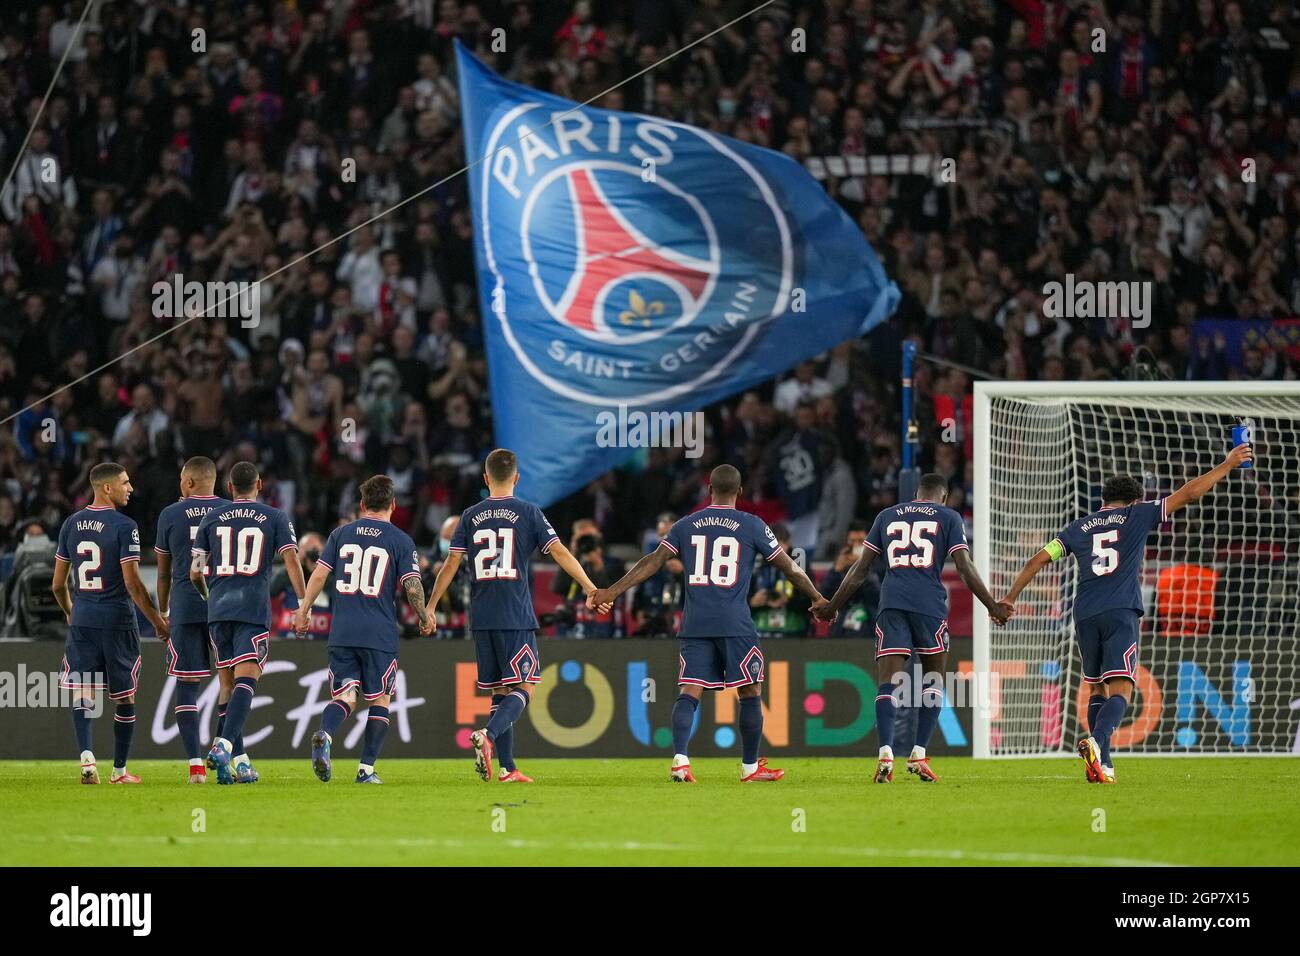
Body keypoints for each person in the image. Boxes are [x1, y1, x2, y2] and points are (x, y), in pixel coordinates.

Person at [999, 445, 1253, 784]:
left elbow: (1037, 561)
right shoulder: (1139, 514)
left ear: (1103, 499)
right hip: (1120, 612)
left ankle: (1103, 763)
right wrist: (1226, 464)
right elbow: (1190, 493)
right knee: (1121, 690)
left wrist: (1009, 599)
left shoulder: (1078, 528)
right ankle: (1097, 741)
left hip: (1085, 614)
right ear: (1135, 500)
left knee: (1096, 691)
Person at [589, 464, 829, 783]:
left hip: (696, 622)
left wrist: (612, 591)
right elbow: (789, 567)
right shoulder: (752, 524)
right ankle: (749, 768)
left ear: (708, 489)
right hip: (735, 623)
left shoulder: (686, 525)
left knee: (690, 690)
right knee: (750, 690)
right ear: (740, 491)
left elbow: (653, 562)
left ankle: (679, 761)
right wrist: (817, 598)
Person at [814, 474, 1012, 784]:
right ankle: (918, 755)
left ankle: (885, 754)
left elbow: (860, 569)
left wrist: (832, 605)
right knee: (932, 680)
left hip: (891, 604)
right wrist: (991, 605)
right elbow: (963, 566)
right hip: (929, 607)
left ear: (917, 493)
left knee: (888, 682)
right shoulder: (948, 517)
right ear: (943, 497)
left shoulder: (886, 515)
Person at [427, 448, 601, 783]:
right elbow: (560, 552)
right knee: (526, 686)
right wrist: (590, 587)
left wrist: (432, 606)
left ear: (485, 479)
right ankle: (488, 736)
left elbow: (451, 564)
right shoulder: (529, 513)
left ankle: (507, 768)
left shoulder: (469, 516)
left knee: (500, 692)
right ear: (517, 478)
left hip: (481, 617)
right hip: (515, 614)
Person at [298, 475, 429, 784]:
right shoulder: (400, 540)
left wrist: (303, 609)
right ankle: (366, 769)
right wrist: (424, 616)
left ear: (361, 504)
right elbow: (412, 585)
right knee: (380, 700)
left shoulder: (340, 535)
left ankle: (326, 734)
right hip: (379, 632)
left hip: (342, 631)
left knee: (344, 697)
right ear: (393, 505)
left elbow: (318, 576)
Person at [51, 462, 169, 784]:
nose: (130, 488)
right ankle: (119, 771)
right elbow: (132, 584)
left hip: (84, 620)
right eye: (125, 482)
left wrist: (71, 611)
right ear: (106, 488)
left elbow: (58, 584)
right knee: (124, 695)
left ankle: (87, 761)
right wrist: (158, 621)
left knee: (83, 690)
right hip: (117, 620)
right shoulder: (124, 525)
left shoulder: (71, 524)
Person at [190, 461, 306, 784]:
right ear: (259, 484)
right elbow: (291, 559)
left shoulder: (210, 518)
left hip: (219, 609)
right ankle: (223, 745)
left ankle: (236, 764)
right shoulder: (275, 517)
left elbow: (195, 571)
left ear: (229, 487)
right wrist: (303, 603)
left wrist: (207, 596)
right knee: (247, 681)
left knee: (226, 685)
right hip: (252, 609)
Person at [154, 456, 223, 783]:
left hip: (184, 607)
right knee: (232, 683)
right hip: (223, 607)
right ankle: (231, 757)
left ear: (190, 482)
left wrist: (163, 613)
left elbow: (164, 573)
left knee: (187, 684)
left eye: (182, 479)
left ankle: (196, 766)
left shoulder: (170, 514)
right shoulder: (230, 511)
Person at [817, 520, 880, 637]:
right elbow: (823, 596)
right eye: (852, 541)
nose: (856, 546)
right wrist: (836, 570)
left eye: (860, 542)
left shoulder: (879, 563)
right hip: (842, 628)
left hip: (870, 628)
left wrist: (863, 567)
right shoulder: (841, 564)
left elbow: (878, 596)